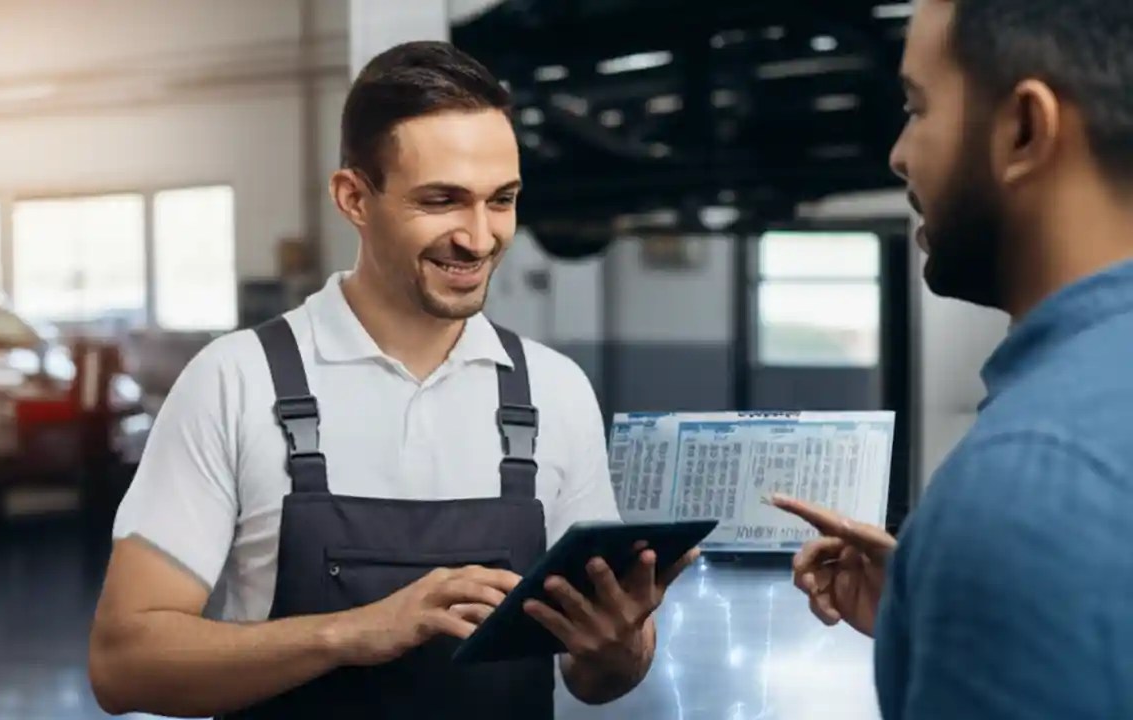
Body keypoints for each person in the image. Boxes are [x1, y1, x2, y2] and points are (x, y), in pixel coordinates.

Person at [88, 41, 694, 720]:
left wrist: (619, 647)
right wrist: (353, 632)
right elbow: (124, 663)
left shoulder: (554, 392)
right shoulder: (236, 382)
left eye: (502, 200)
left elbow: (595, 680)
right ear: (353, 196)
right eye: (442, 201)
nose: (478, 237)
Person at [772, 0, 1133, 718]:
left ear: (1024, 129)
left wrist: (987, 561)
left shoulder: (1027, 484)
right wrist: (933, 604)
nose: (899, 153)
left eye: (918, 107)